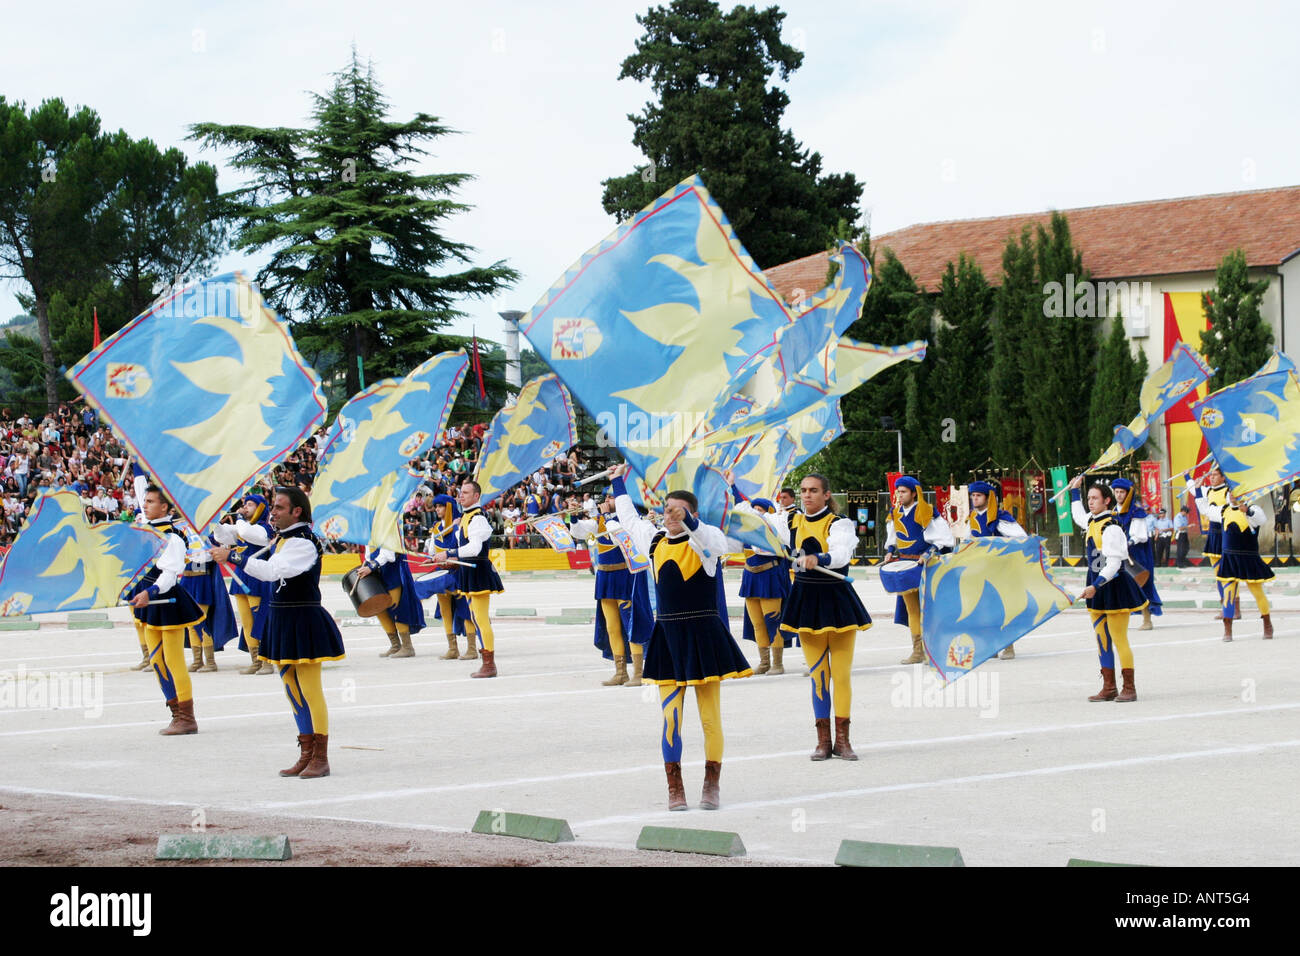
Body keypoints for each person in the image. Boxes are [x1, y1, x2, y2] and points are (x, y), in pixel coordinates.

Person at [610, 465, 751, 810]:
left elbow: (716, 541)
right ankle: (675, 787)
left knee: (709, 718)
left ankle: (711, 784)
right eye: (666, 509)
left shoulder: (705, 543)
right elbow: (629, 519)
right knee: (671, 718)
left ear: (693, 513)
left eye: (678, 510)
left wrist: (690, 521)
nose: (670, 515)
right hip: (668, 638)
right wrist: (617, 480)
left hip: (703, 637)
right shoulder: (655, 540)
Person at [212, 486, 345, 778]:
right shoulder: (279, 535)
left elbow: (273, 571)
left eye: (280, 507)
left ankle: (320, 757)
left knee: (310, 690)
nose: (273, 511)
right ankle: (306, 751)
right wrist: (216, 526)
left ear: (297, 511)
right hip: (282, 617)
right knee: (291, 689)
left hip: (303, 617)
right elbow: (240, 534)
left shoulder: (304, 542)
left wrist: (233, 558)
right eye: (273, 506)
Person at [771, 474, 872, 761]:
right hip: (805, 603)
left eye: (813, 490)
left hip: (837, 602)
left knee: (840, 675)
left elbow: (840, 554)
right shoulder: (789, 522)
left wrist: (821, 559)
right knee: (818, 677)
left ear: (826, 495)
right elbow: (760, 531)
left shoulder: (839, 524)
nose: (806, 495)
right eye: (803, 490)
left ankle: (843, 740)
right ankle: (823, 741)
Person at [126, 485, 207, 735]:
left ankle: (187, 717)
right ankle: (175, 713)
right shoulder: (144, 531)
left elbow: (170, 575)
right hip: (147, 600)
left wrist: (149, 593)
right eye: (145, 501)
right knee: (157, 660)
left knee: (172, 660)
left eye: (151, 501)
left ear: (165, 507)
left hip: (166, 600)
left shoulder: (173, 536)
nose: (146, 505)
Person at [1069, 475, 1147, 702]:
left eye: (1095, 498)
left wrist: (1096, 585)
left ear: (1107, 502)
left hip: (1113, 587)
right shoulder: (1092, 522)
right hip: (1096, 587)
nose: (1090, 502)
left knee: (1119, 638)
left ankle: (1129, 688)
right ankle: (1109, 687)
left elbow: (1114, 564)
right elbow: (1077, 516)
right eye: (1089, 498)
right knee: (1101, 639)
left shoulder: (1111, 528)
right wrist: (1075, 491)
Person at [569, 493, 654, 686]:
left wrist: (607, 516)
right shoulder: (599, 520)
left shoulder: (629, 521)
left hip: (625, 576)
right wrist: (573, 517)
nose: (606, 501)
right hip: (605, 576)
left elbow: (618, 535)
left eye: (611, 498)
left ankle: (639, 673)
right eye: (606, 498)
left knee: (630, 624)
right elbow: (580, 532)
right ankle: (620, 672)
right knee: (612, 627)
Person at [429, 479, 504, 678]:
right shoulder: (467, 517)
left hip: (478, 571)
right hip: (470, 571)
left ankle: (489, 664)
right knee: (476, 617)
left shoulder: (477, 518)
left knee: (480, 619)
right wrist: (450, 556)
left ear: (476, 496)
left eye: (465, 493)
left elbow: (475, 548)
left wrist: (449, 553)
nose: (460, 496)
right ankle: (487, 661)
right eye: (460, 492)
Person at [725, 475, 794, 676]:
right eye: (754, 509)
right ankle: (764, 662)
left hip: (770, 575)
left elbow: (782, 541)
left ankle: (777, 663)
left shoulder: (774, 525)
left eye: (760, 510)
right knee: (757, 622)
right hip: (751, 576)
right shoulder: (748, 530)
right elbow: (740, 510)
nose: (756, 512)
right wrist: (731, 487)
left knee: (773, 620)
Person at [884, 476, 955, 665]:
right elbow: (893, 537)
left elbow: (943, 539)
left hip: (926, 566)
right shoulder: (895, 512)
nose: (900, 495)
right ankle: (918, 651)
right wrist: (890, 552)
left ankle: (936, 649)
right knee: (912, 610)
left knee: (930, 609)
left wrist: (928, 553)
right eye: (898, 491)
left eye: (903, 491)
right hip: (906, 565)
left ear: (914, 493)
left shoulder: (926, 511)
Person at [210, 494, 276, 675]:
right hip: (241, 579)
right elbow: (221, 535)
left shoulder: (265, 529)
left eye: (250, 505)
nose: (245, 507)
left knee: (260, 621)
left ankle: (267, 660)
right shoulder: (241, 526)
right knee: (246, 622)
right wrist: (214, 520)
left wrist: (239, 517)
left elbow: (246, 533)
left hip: (258, 580)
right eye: (244, 504)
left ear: (261, 508)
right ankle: (255, 660)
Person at [1201, 490, 1274, 641]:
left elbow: (1262, 519)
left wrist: (1247, 510)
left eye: (1237, 493)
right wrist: (1195, 488)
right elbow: (1205, 509)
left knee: (1257, 592)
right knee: (1228, 594)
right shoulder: (1223, 510)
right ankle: (1228, 629)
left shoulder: (1252, 509)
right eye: (1232, 493)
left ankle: (1267, 623)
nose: (1234, 496)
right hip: (1229, 559)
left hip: (1248, 559)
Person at [966, 480, 1027, 658]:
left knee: (1003, 607)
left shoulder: (1000, 517)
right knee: (985, 607)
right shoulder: (972, 517)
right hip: (981, 569)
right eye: (973, 496)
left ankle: (1008, 646)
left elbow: (1021, 537)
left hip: (1001, 568)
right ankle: (992, 645)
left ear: (988, 497)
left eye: (978, 496)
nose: (974, 499)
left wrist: (996, 547)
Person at [418, 494, 475, 660]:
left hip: (459, 573)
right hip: (443, 572)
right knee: (445, 610)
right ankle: (452, 648)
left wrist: (454, 560)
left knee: (465, 609)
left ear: (449, 507)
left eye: (440, 506)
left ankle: (472, 648)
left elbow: (467, 550)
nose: (437, 509)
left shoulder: (460, 526)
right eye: (435, 507)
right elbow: (433, 552)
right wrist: (432, 559)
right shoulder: (436, 528)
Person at [1187, 466, 1240, 620]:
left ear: (1223, 477)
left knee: (1230, 573)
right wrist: (1187, 477)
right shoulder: (1208, 491)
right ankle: (1224, 606)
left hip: (1227, 533)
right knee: (1218, 574)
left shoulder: (1228, 493)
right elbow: (1194, 490)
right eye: (1211, 475)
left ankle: (1234, 608)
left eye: (1216, 475)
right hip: (1213, 535)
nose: (1212, 478)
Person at [356, 547, 426, 659]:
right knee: (379, 608)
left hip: (392, 570)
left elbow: (389, 554)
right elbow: (370, 552)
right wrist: (368, 564)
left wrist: (372, 566)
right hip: (378, 571)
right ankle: (395, 645)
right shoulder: (370, 530)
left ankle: (407, 647)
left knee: (396, 607)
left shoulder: (388, 528)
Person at [1111, 478, 1162, 631]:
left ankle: (1147, 620)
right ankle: (1121, 619)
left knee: (1142, 583)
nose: (1119, 495)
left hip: (1137, 554)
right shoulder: (1113, 511)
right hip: (1120, 553)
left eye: (1122, 492)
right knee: (1121, 585)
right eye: (1117, 492)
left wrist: (1128, 543)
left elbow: (1141, 536)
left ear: (1128, 494)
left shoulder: (1136, 511)